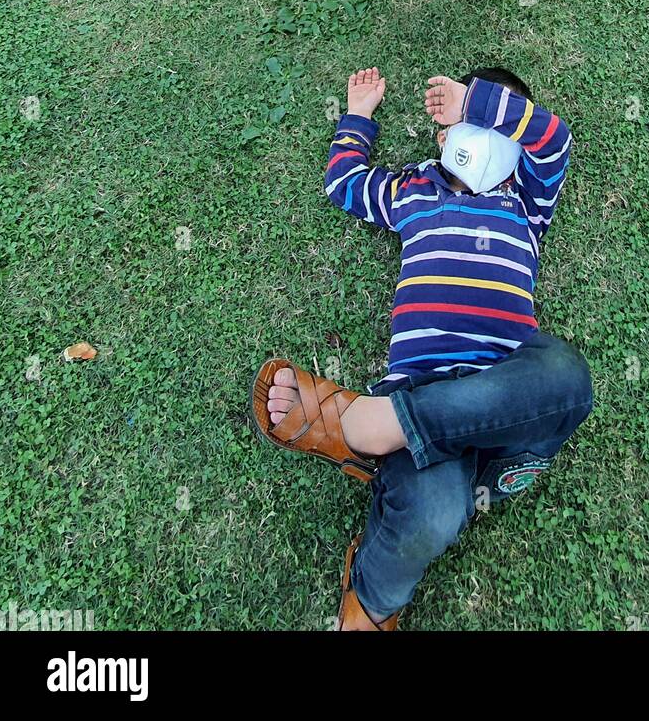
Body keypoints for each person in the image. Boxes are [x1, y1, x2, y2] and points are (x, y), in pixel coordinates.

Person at [251, 65, 593, 629]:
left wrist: (475, 104)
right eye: (464, 122)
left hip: (504, 401)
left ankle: (364, 428)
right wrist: (358, 115)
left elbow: (554, 140)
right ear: (441, 136)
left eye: (493, 122)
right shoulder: (414, 190)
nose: (479, 136)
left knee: (568, 376)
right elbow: (344, 183)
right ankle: (372, 605)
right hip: (422, 392)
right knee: (434, 516)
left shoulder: (527, 201)